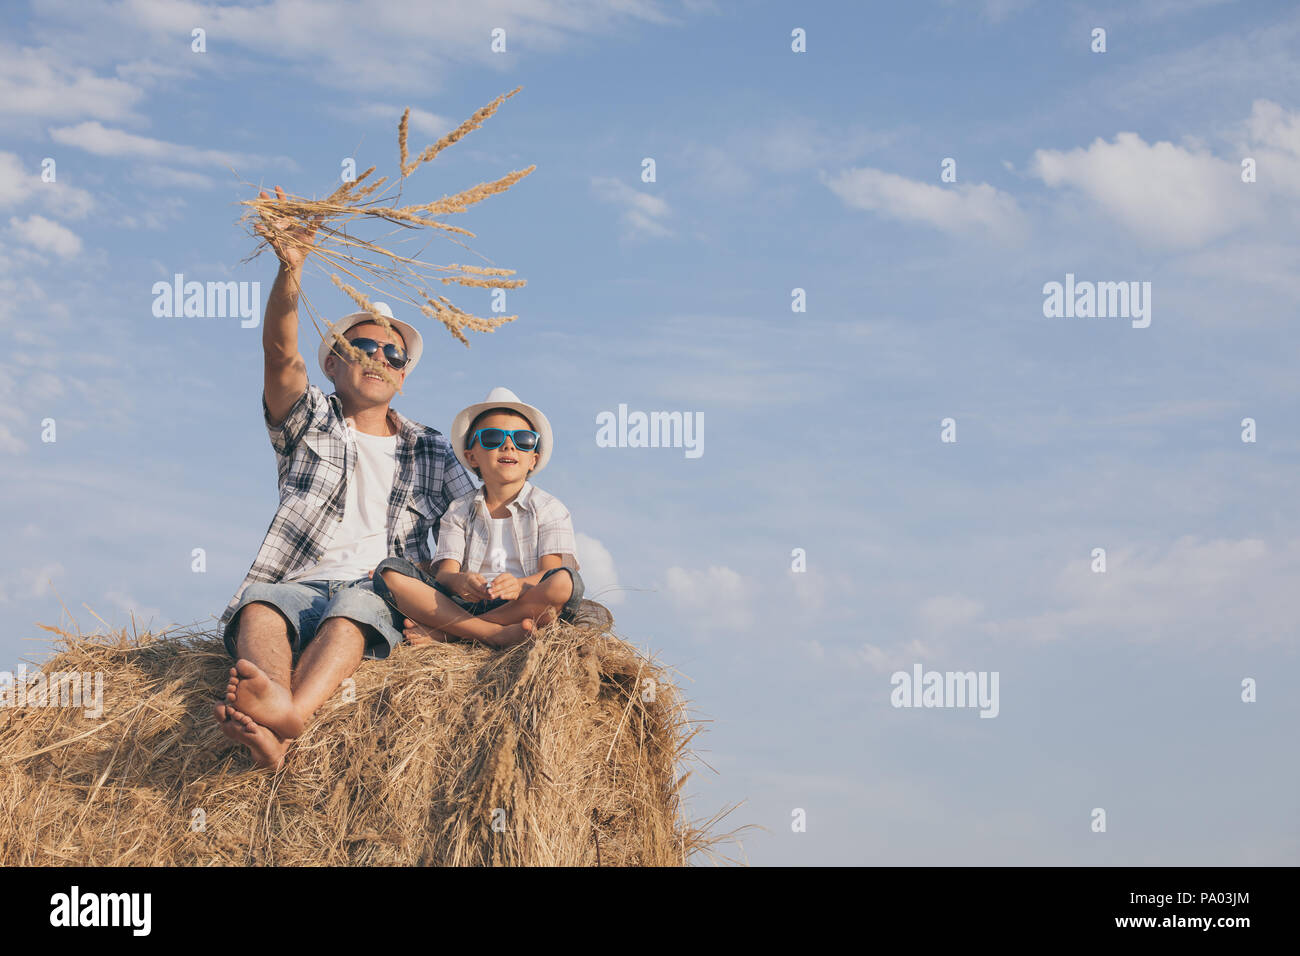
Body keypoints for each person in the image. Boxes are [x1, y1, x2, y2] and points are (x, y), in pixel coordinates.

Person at [212, 186, 474, 770]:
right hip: (299, 579)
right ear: (333, 363)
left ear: (403, 377)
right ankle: (273, 710)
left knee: (354, 610)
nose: (380, 357)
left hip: (380, 587)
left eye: (394, 354)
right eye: (363, 346)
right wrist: (291, 269)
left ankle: (288, 722)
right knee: (258, 606)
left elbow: (476, 524)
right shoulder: (310, 421)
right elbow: (281, 354)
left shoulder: (429, 446)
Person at [373, 387, 584, 649]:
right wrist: (462, 581)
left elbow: (548, 574)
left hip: (524, 605)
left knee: (565, 582)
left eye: (523, 440)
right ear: (472, 456)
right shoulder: (459, 510)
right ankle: (488, 632)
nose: (508, 445)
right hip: (465, 605)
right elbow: (446, 575)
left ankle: (453, 633)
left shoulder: (550, 508)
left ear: (533, 459)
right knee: (389, 572)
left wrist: (519, 586)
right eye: (493, 437)